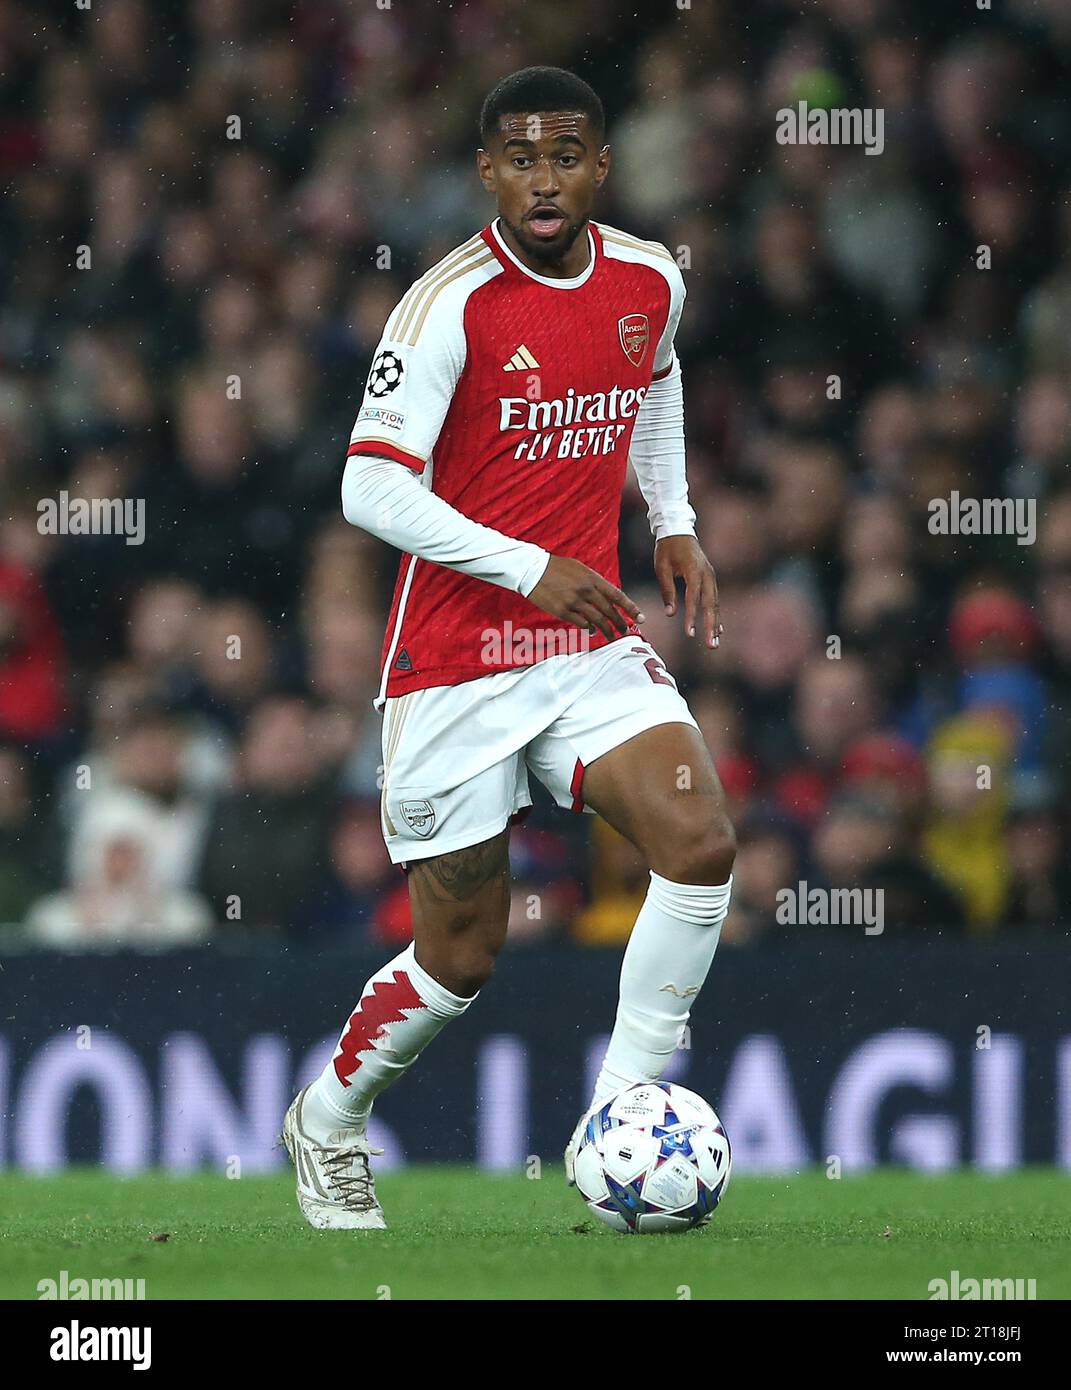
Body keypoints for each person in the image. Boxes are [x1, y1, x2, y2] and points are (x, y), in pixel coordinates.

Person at [282, 66, 736, 1230]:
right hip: (454, 664)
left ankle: (626, 1106)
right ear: (487, 171)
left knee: (698, 839)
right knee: (460, 960)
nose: (546, 177)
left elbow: (661, 373)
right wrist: (528, 565)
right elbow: (369, 490)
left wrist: (673, 519)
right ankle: (328, 1121)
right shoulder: (447, 306)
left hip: (582, 645)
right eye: (521, 157)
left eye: (567, 154)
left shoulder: (649, 277)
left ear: (602, 167)